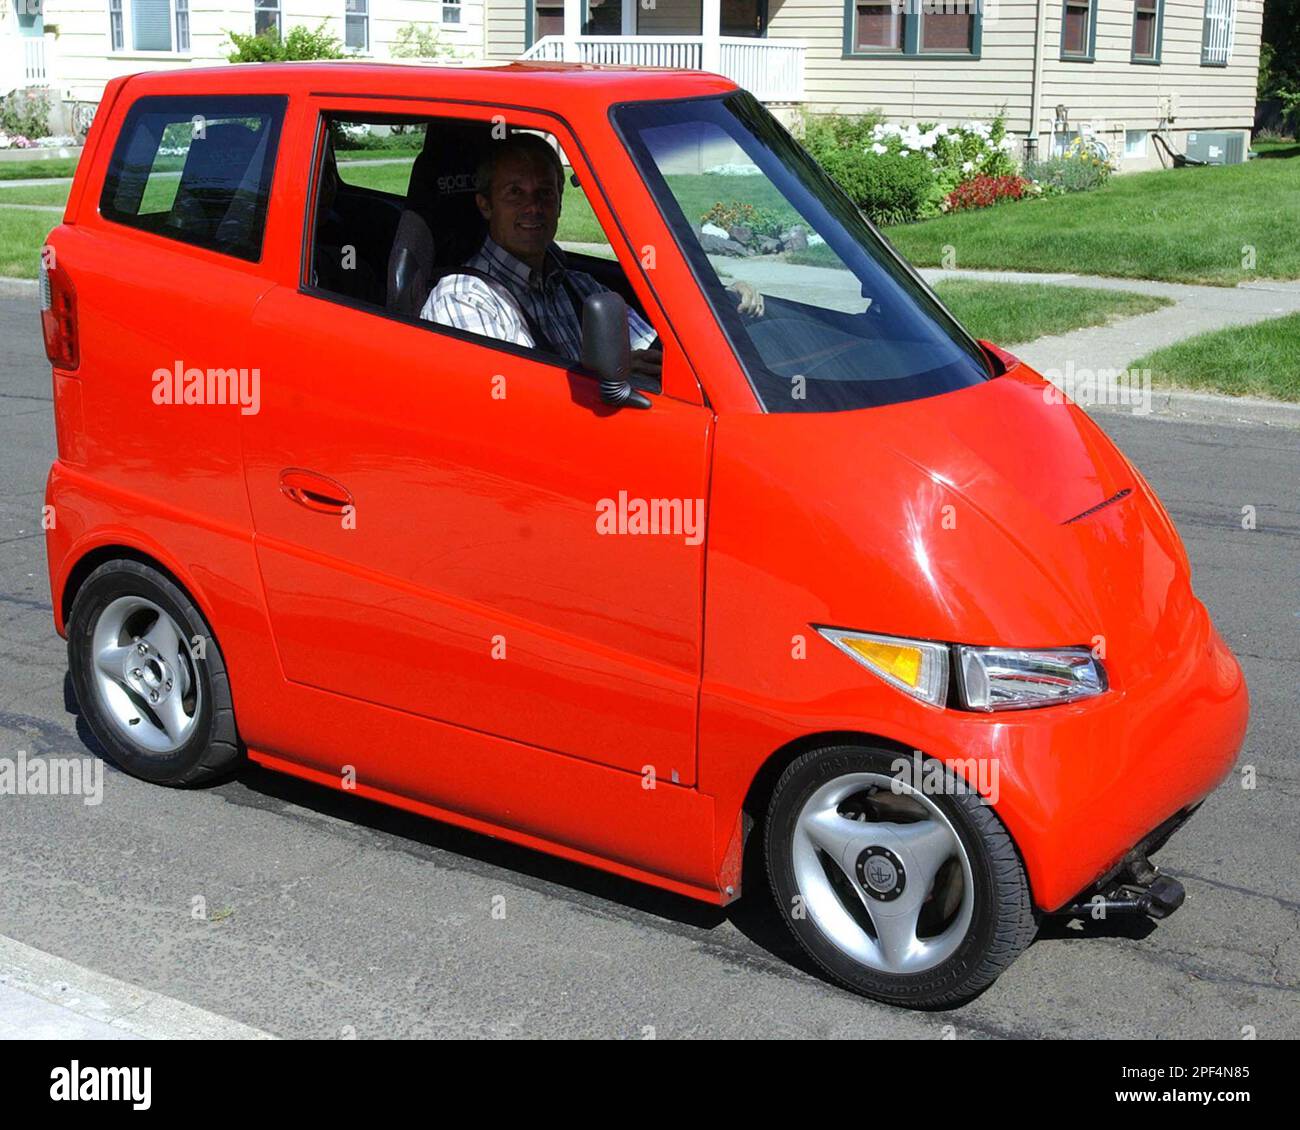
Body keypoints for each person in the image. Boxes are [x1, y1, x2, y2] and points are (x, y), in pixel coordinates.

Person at [421, 133, 761, 380]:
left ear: (559, 203)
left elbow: (659, 345)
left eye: (545, 193)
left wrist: (722, 303)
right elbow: (503, 411)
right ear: (485, 205)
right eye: (515, 193)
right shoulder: (464, 300)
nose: (533, 207)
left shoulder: (580, 287)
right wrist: (601, 380)